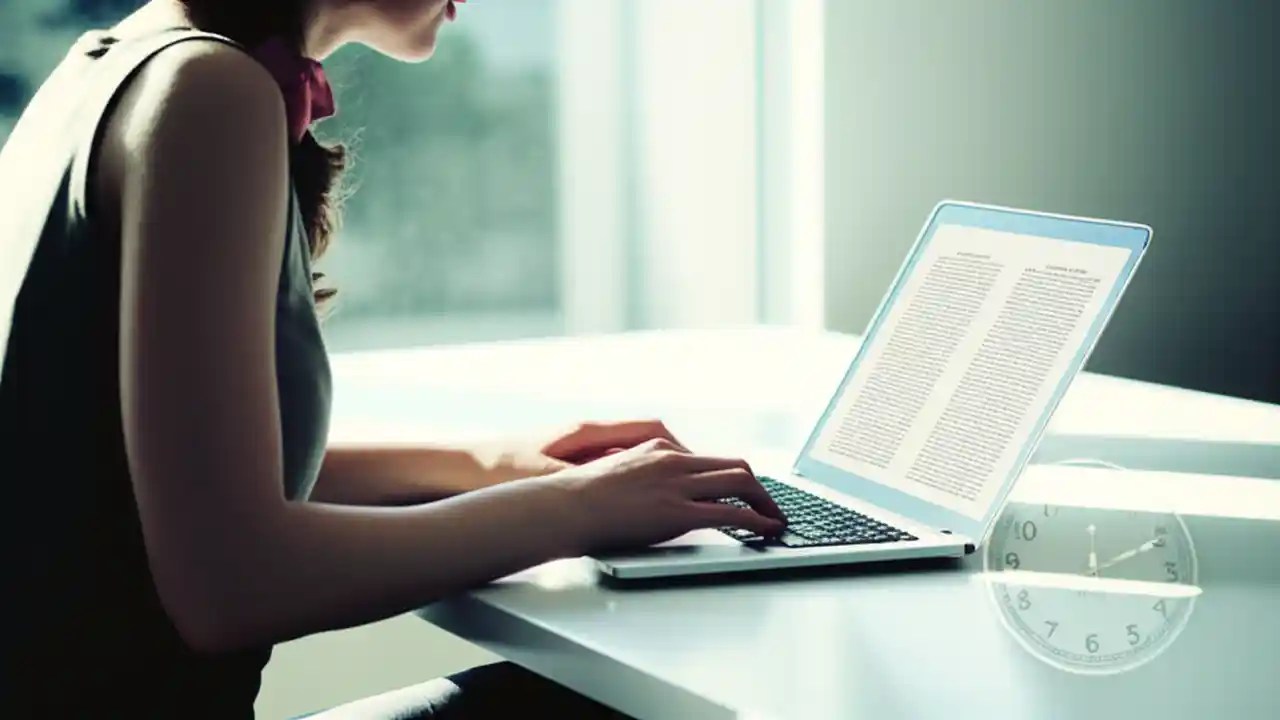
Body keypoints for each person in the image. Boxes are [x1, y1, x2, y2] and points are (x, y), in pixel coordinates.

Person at [0, 0, 788, 717]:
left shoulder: (112, 62)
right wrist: (576, 510)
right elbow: (228, 584)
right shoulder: (208, 90)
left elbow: (177, 472)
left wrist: (498, 462)